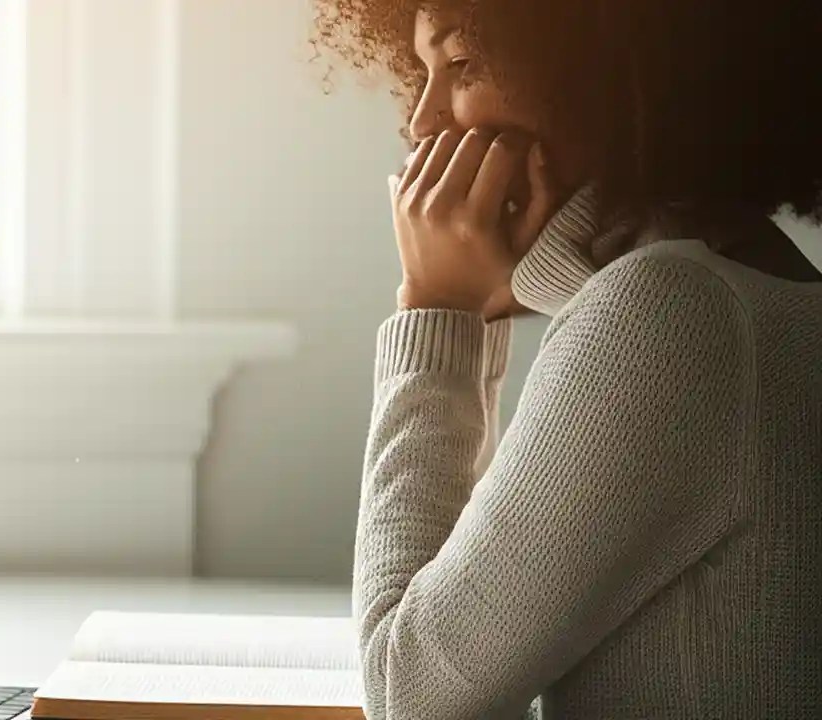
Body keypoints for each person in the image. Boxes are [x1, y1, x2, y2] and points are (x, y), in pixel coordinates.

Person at [312, 1, 822, 718]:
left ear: (601, 73)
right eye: (421, 73)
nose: (421, 121)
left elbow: (410, 698)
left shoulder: (666, 315)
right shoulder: (761, 293)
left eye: (460, 63)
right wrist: (518, 277)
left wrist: (437, 311)